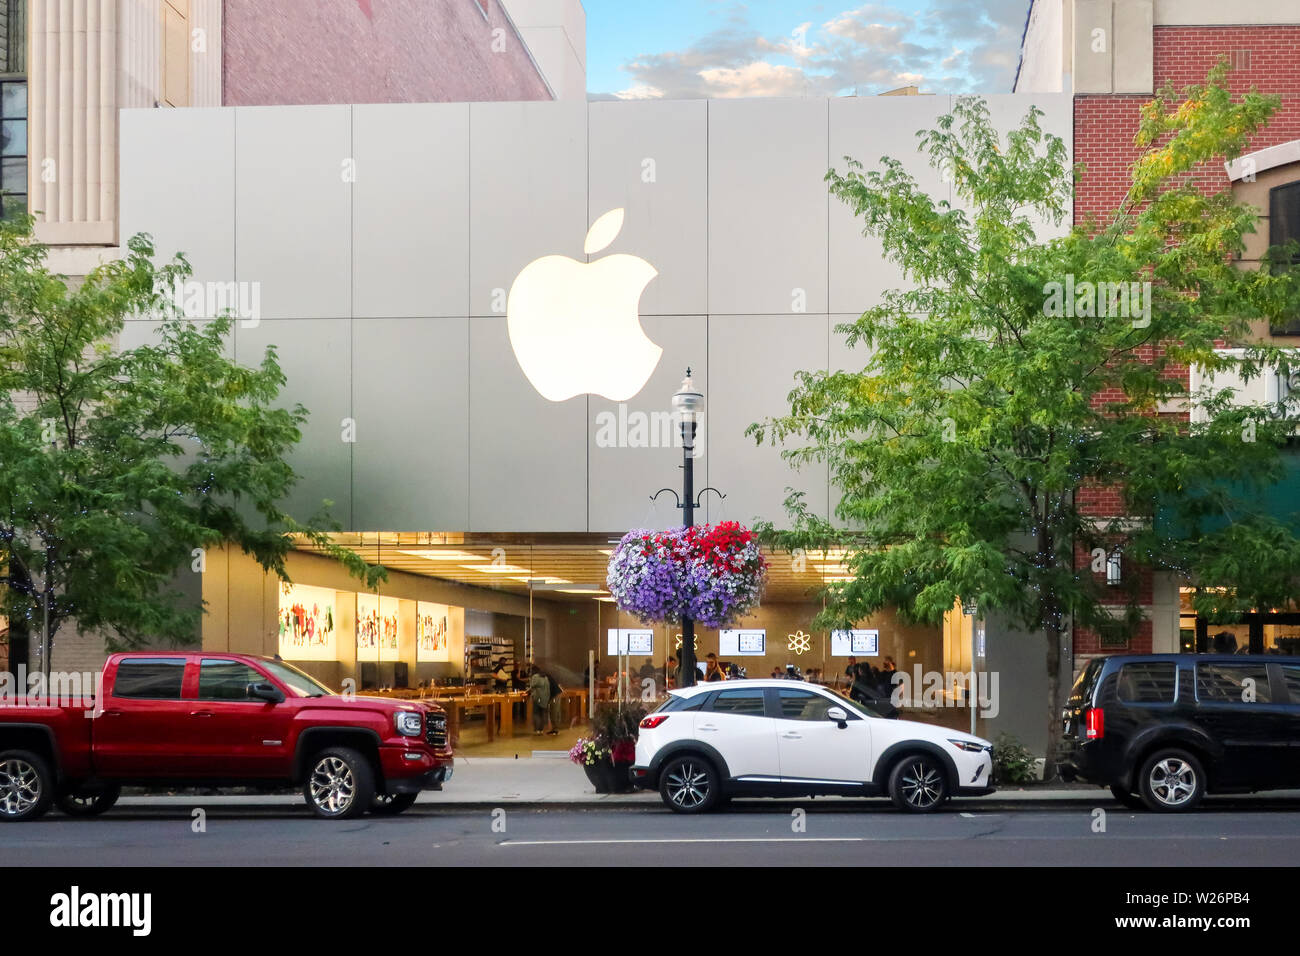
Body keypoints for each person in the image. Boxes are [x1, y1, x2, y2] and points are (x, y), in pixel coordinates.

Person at [527, 666, 551, 735]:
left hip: (537, 697)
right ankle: (541, 729)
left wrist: (527, 692)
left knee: (536, 713)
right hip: (545, 698)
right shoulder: (546, 677)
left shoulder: (535, 677)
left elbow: (532, 687)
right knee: (543, 713)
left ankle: (537, 729)